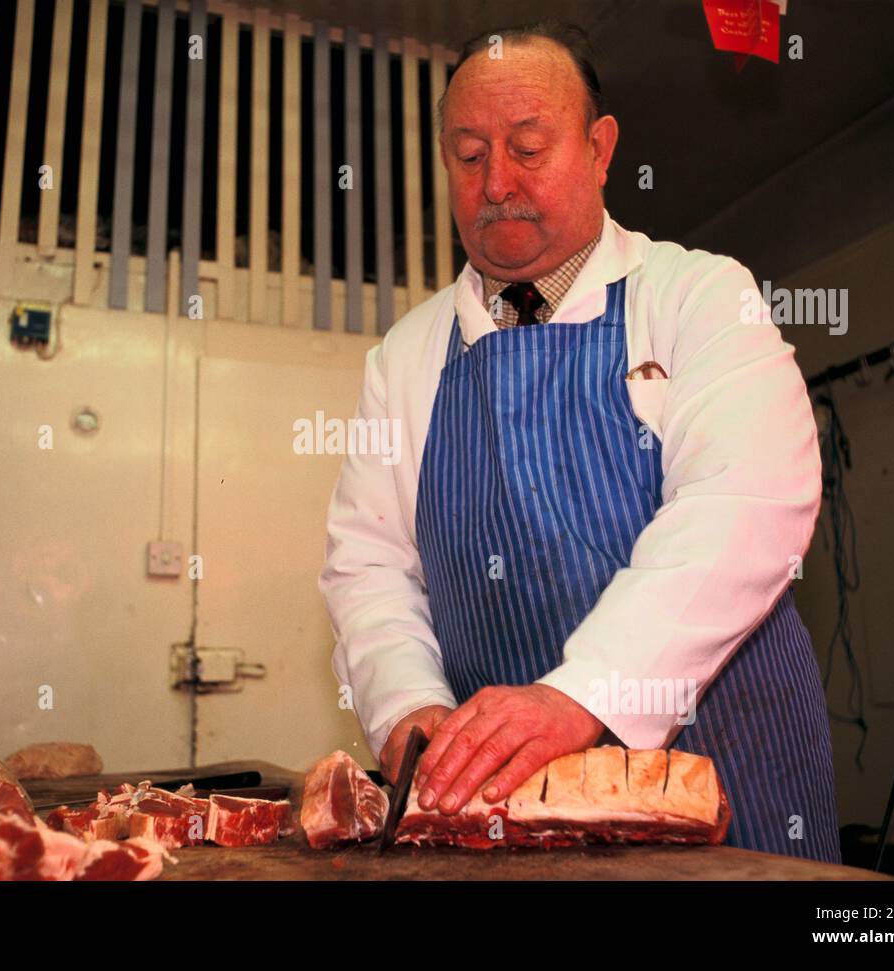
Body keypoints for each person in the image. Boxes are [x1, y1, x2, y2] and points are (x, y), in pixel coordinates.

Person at [319, 22, 840, 862]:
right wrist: (409, 703)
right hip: (501, 817)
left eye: (528, 148)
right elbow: (368, 561)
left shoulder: (699, 296)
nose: (498, 184)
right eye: (469, 155)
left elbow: (747, 501)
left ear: (601, 152)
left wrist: (585, 694)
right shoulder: (405, 356)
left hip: (732, 793)